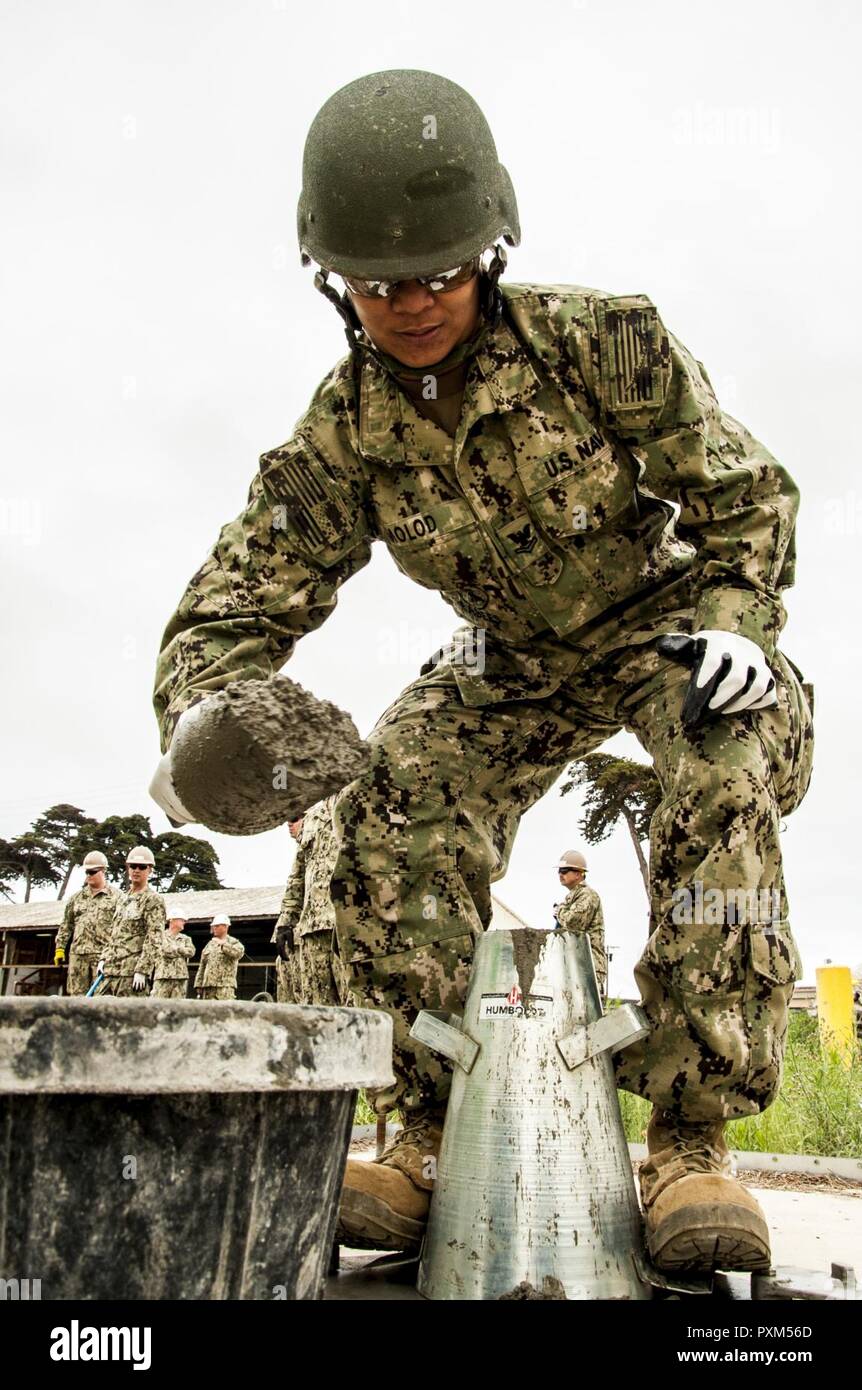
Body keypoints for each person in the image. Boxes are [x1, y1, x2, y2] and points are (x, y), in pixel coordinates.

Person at [150, 70, 814, 1274]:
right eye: (375, 283)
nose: (408, 304)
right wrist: (202, 728)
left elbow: (747, 496)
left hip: (663, 622)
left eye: (438, 275)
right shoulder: (344, 432)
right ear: (332, 280)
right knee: (391, 791)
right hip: (509, 652)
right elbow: (232, 607)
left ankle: (691, 1141)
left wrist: (737, 622)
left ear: (491, 249)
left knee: (717, 774)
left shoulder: (605, 344)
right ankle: (422, 1129)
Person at [272, 797, 341, 1006]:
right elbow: (297, 877)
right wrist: (285, 921)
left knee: (354, 1002)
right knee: (317, 1004)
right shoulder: (312, 817)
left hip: (347, 924)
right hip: (313, 927)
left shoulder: (361, 802)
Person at [97, 846, 165, 996]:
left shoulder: (153, 900)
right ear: (128, 868)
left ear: (150, 870)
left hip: (131, 975)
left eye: (142, 867)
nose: (136, 870)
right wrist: (103, 958)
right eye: (133, 866)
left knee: (130, 1017)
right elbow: (113, 934)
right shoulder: (122, 898)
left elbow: (155, 937)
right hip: (110, 971)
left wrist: (142, 970)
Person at [54, 851, 122, 996]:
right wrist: (60, 948)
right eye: (87, 872)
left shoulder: (118, 897)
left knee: (101, 997)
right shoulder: (76, 898)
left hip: (103, 957)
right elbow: (67, 924)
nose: (89, 876)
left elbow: (122, 929)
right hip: (78, 956)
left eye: (92, 872)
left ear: (103, 871)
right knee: (76, 997)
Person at [554, 850, 607, 1000]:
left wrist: (559, 911)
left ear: (579, 873)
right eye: (559, 871)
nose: (560, 874)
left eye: (565, 870)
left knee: (586, 1017)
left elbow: (572, 923)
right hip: (575, 967)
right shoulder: (573, 897)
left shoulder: (588, 895)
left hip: (589, 968)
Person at [194, 914, 244, 1000]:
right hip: (208, 987)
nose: (214, 928)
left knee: (224, 1011)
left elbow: (238, 953)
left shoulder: (234, 942)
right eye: (213, 926)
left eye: (217, 926)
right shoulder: (210, 944)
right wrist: (198, 984)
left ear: (226, 927)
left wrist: (223, 944)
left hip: (225, 987)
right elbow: (202, 965)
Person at [151, 908, 196, 999]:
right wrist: (182, 950)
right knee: (158, 1004)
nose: (184, 922)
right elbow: (166, 950)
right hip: (163, 976)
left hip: (180, 977)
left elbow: (191, 952)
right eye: (182, 920)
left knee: (178, 1006)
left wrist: (175, 949)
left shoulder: (186, 938)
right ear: (172, 920)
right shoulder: (161, 936)